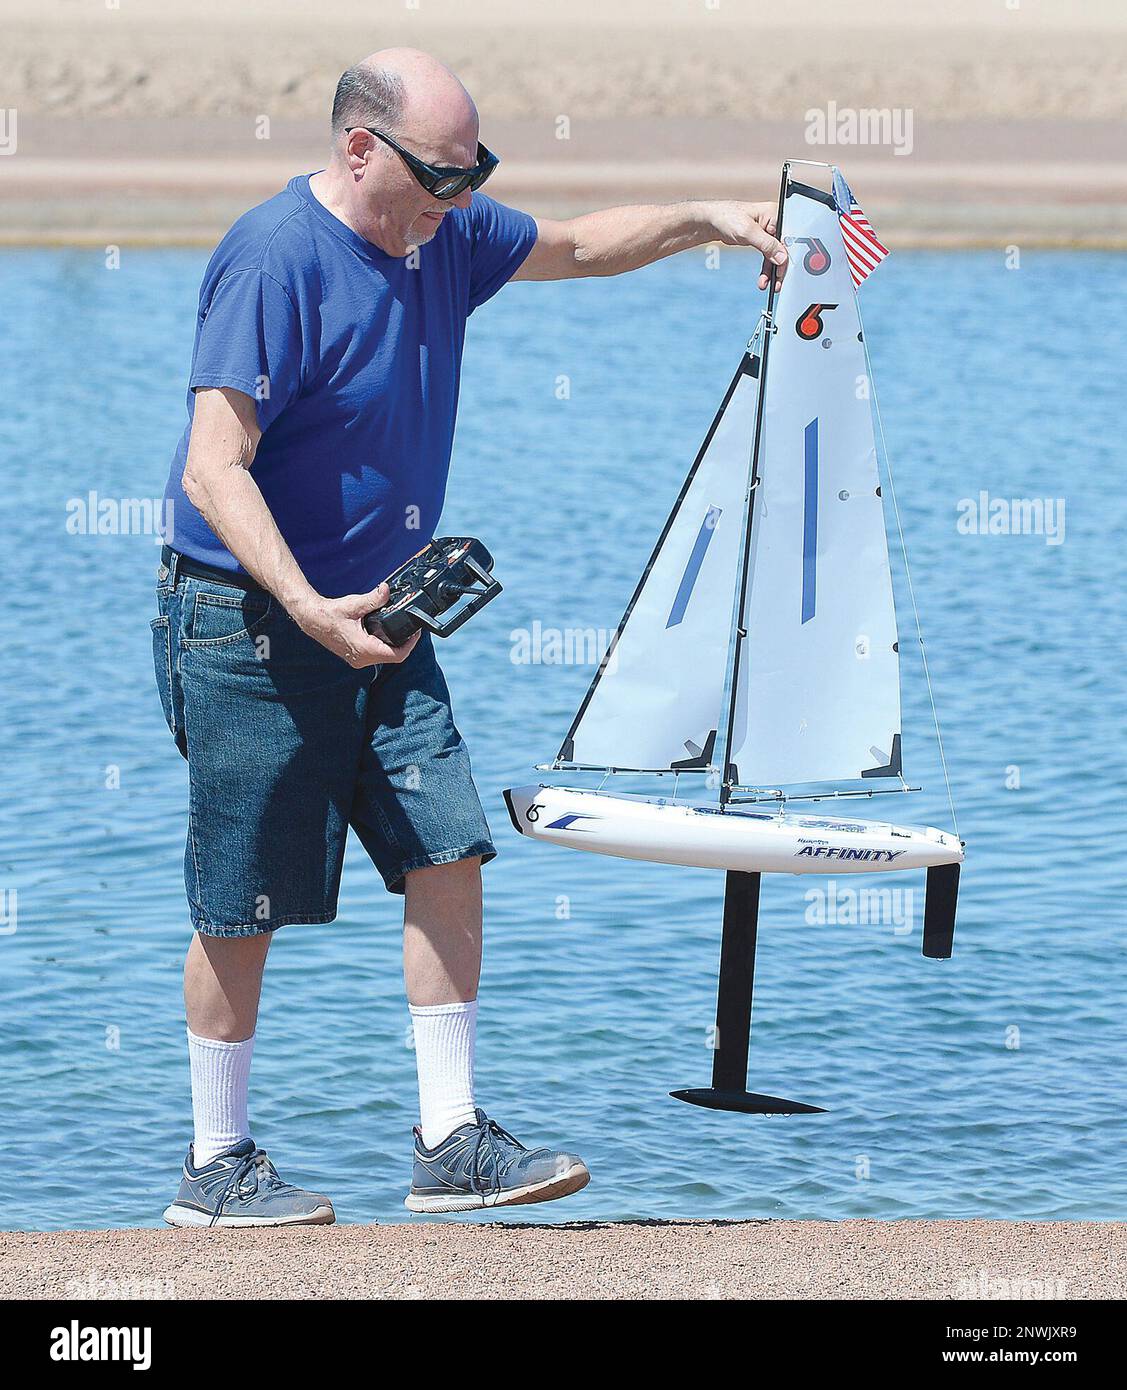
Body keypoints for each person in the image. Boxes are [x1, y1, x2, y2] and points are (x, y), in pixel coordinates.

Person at [154, 46, 788, 1226]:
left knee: (447, 850)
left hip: (388, 610)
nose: (463, 198)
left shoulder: (439, 232)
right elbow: (214, 463)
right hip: (245, 622)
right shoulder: (273, 259)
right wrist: (304, 607)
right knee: (244, 903)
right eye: (445, 174)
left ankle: (449, 1144)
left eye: (475, 172)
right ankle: (214, 1165)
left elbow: (578, 245)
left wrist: (706, 218)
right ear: (358, 149)